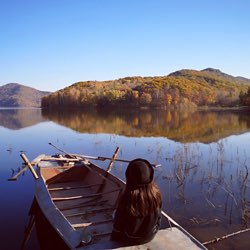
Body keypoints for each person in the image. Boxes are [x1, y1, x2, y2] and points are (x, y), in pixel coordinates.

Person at [111, 158, 162, 245]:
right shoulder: (156, 193)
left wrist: (114, 237)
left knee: (115, 213)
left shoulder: (127, 198)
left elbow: (118, 225)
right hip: (150, 236)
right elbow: (158, 218)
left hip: (130, 239)